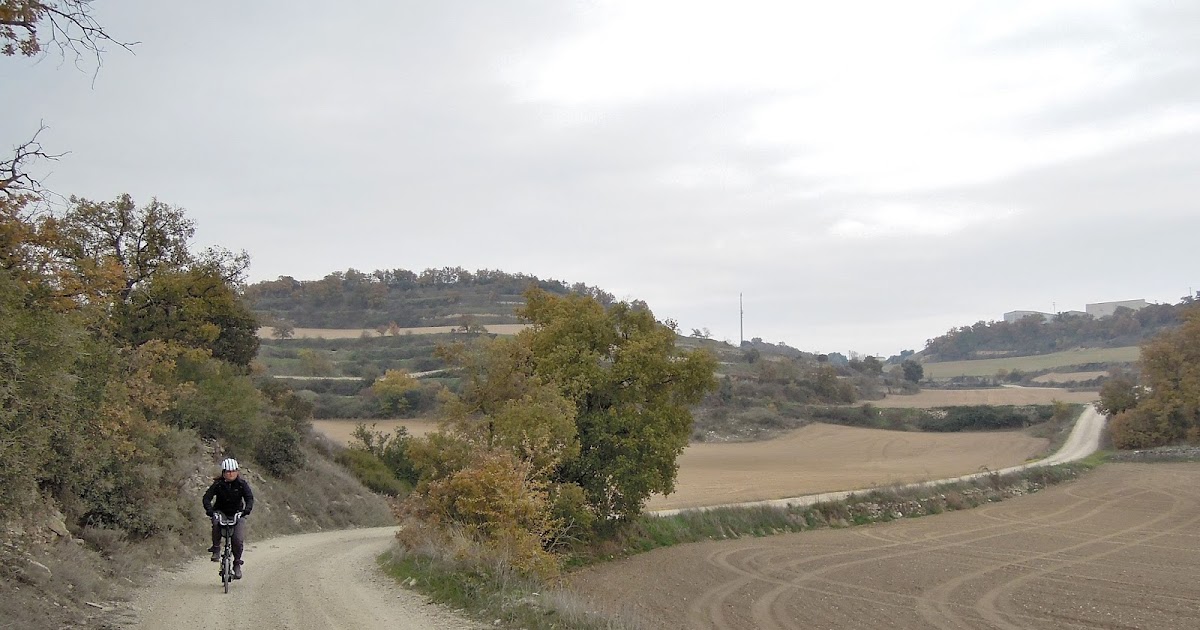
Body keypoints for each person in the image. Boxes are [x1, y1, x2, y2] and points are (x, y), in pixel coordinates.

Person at [202, 458, 254, 579]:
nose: (230, 474)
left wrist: (246, 510)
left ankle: (237, 564)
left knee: (238, 539)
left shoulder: (242, 484)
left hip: (237, 513)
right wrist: (210, 511)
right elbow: (206, 498)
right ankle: (216, 549)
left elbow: (249, 498)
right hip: (221, 511)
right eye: (228, 471)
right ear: (223, 472)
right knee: (215, 522)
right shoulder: (218, 484)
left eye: (233, 471)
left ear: (237, 472)